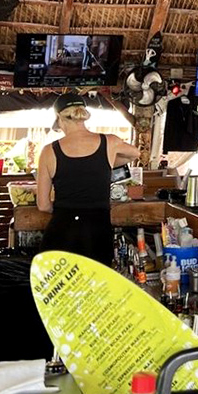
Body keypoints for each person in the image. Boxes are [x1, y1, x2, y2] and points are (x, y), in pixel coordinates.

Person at [37, 91, 140, 265]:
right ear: (83, 115)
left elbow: (43, 205)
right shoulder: (110, 142)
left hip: (62, 230)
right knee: (97, 288)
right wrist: (107, 163)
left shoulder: (48, 152)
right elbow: (134, 154)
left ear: (59, 118)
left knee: (59, 290)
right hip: (97, 232)